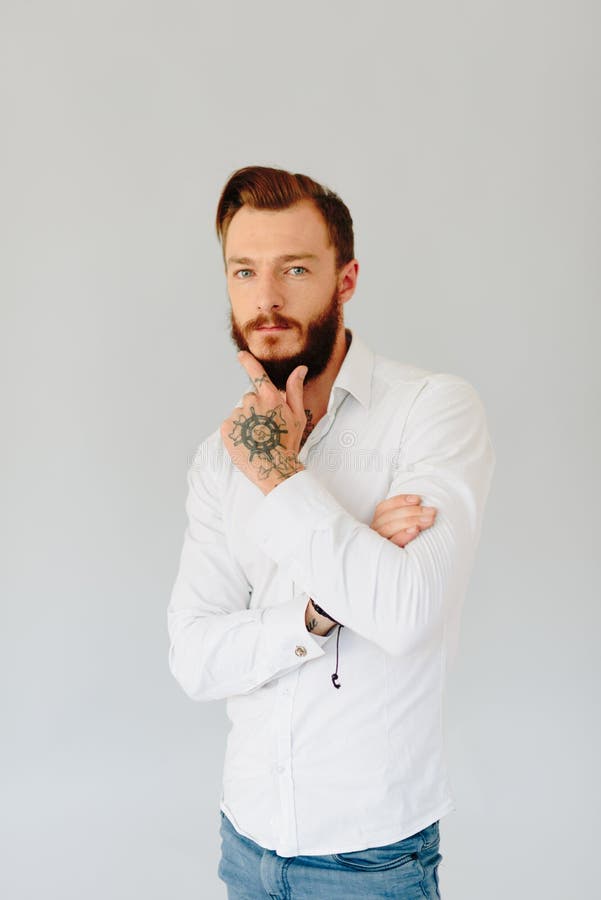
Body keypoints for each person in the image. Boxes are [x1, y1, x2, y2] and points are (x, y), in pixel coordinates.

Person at [167, 165, 496, 899]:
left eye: (294, 269)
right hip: (244, 843)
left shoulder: (432, 411)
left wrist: (276, 473)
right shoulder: (219, 457)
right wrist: (323, 607)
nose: (266, 297)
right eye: (244, 271)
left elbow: (405, 614)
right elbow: (193, 657)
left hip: (370, 860)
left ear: (345, 280)